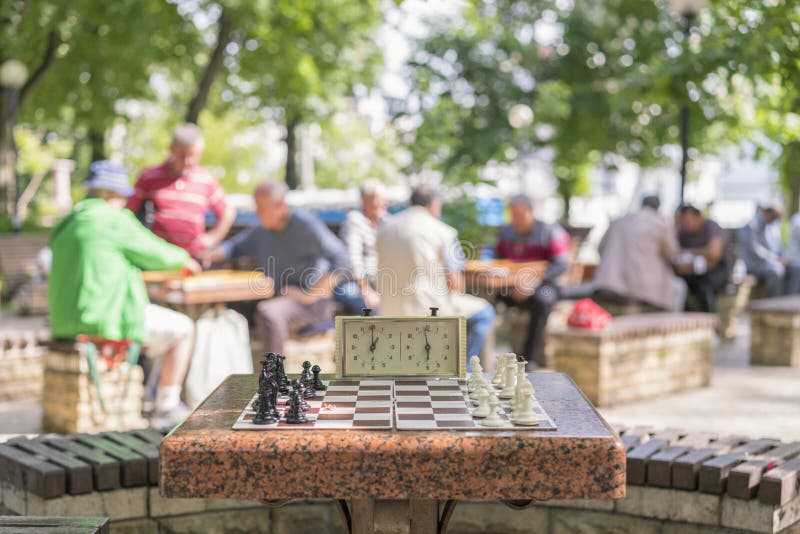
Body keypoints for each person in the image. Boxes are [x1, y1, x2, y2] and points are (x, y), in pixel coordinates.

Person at [48, 161, 202, 429]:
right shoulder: (113, 219)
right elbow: (157, 254)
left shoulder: (67, 223)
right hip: (104, 319)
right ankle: (166, 405)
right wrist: (185, 260)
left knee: (159, 326)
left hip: (64, 321)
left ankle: (148, 395)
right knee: (183, 328)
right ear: (113, 195)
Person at [202, 180, 361, 354]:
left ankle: (275, 379)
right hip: (278, 296)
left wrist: (309, 295)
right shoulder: (262, 231)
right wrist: (211, 253)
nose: (256, 212)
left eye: (260, 208)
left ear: (279, 206)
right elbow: (234, 247)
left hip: (312, 305)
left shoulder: (305, 225)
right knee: (226, 311)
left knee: (269, 312)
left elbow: (344, 261)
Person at [375, 185, 495, 358]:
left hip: (388, 310)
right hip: (429, 310)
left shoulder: (385, 229)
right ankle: (463, 370)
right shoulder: (442, 231)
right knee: (485, 312)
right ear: (434, 204)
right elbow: (456, 285)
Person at [127, 123, 236, 258]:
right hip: (157, 257)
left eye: (193, 156)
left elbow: (227, 213)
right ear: (171, 150)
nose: (188, 161)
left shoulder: (206, 179)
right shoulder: (149, 177)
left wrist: (210, 239)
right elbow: (128, 213)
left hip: (193, 257)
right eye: (182, 156)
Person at [493, 194, 570, 367]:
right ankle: (494, 354)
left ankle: (529, 358)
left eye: (519, 216)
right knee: (487, 299)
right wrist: (511, 283)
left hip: (545, 285)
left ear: (530, 212)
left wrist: (533, 283)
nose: (515, 220)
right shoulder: (506, 232)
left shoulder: (550, 231)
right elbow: (497, 259)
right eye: (512, 216)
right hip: (512, 286)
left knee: (543, 301)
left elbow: (561, 265)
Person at [594, 195, 686, 311]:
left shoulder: (619, 221)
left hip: (607, 282)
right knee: (679, 288)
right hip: (642, 290)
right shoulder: (660, 224)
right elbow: (672, 254)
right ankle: (671, 325)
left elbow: (600, 248)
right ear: (657, 208)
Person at [340, 180, 387, 311]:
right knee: (370, 309)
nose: (381, 203)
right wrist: (365, 289)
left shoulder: (387, 221)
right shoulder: (354, 220)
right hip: (355, 283)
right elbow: (353, 257)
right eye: (375, 199)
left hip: (385, 282)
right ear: (364, 201)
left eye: (383, 199)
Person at [674, 204, 728, 312]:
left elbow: (714, 254)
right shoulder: (682, 232)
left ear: (697, 217)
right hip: (693, 272)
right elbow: (676, 253)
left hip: (717, 270)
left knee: (704, 287)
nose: (685, 224)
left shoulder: (711, 227)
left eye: (687, 221)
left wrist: (691, 252)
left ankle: (711, 323)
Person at [738, 202, 786, 297]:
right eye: (774, 218)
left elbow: (776, 246)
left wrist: (783, 257)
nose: (774, 221)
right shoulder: (752, 225)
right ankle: (772, 302)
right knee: (777, 270)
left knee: (793, 268)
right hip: (753, 265)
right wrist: (775, 259)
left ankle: (786, 299)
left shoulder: (771, 226)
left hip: (767, 263)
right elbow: (755, 250)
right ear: (768, 214)